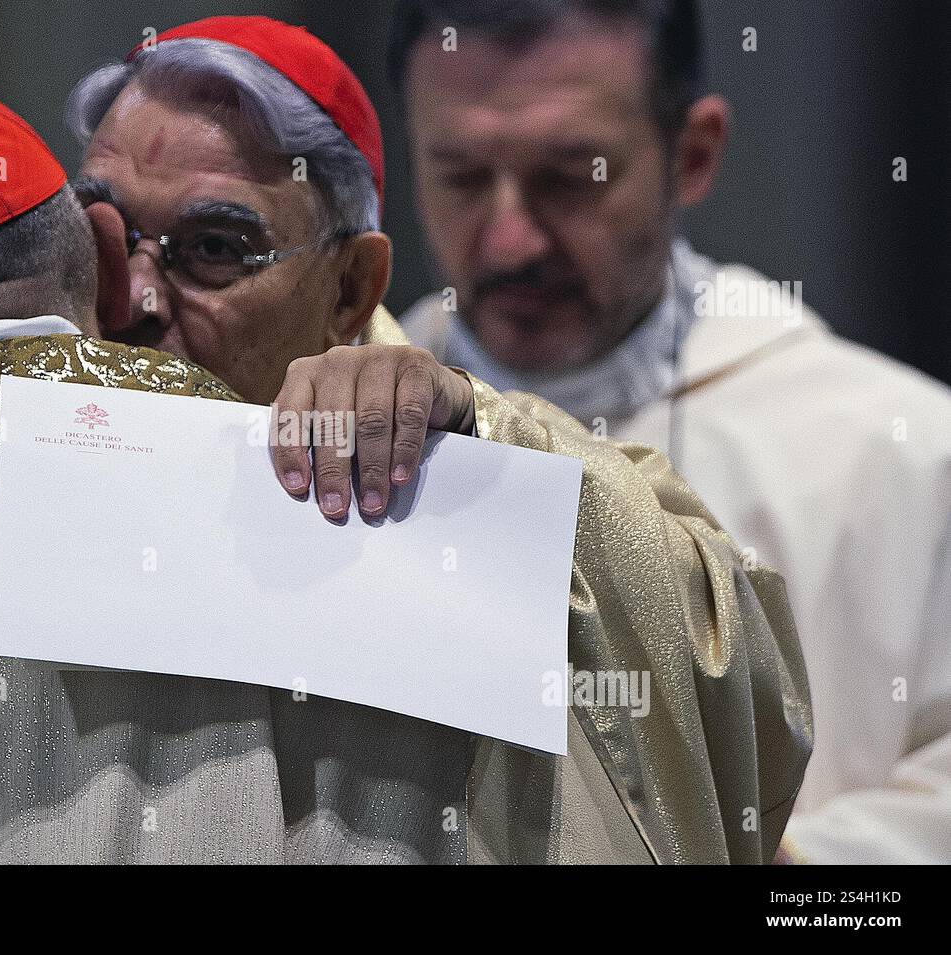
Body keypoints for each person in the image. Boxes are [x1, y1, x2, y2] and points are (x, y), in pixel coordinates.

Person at [68, 16, 810, 862]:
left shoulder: (451, 456)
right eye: (103, 237)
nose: (135, 299)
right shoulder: (31, 456)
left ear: (351, 289)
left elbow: (740, 688)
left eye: (213, 248)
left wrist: (483, 438)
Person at [390, 0, 951, 862]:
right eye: (460, 176)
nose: (508, 242)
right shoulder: (327, 437)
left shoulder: (904, 451)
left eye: (570, 177)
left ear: (692, 154)